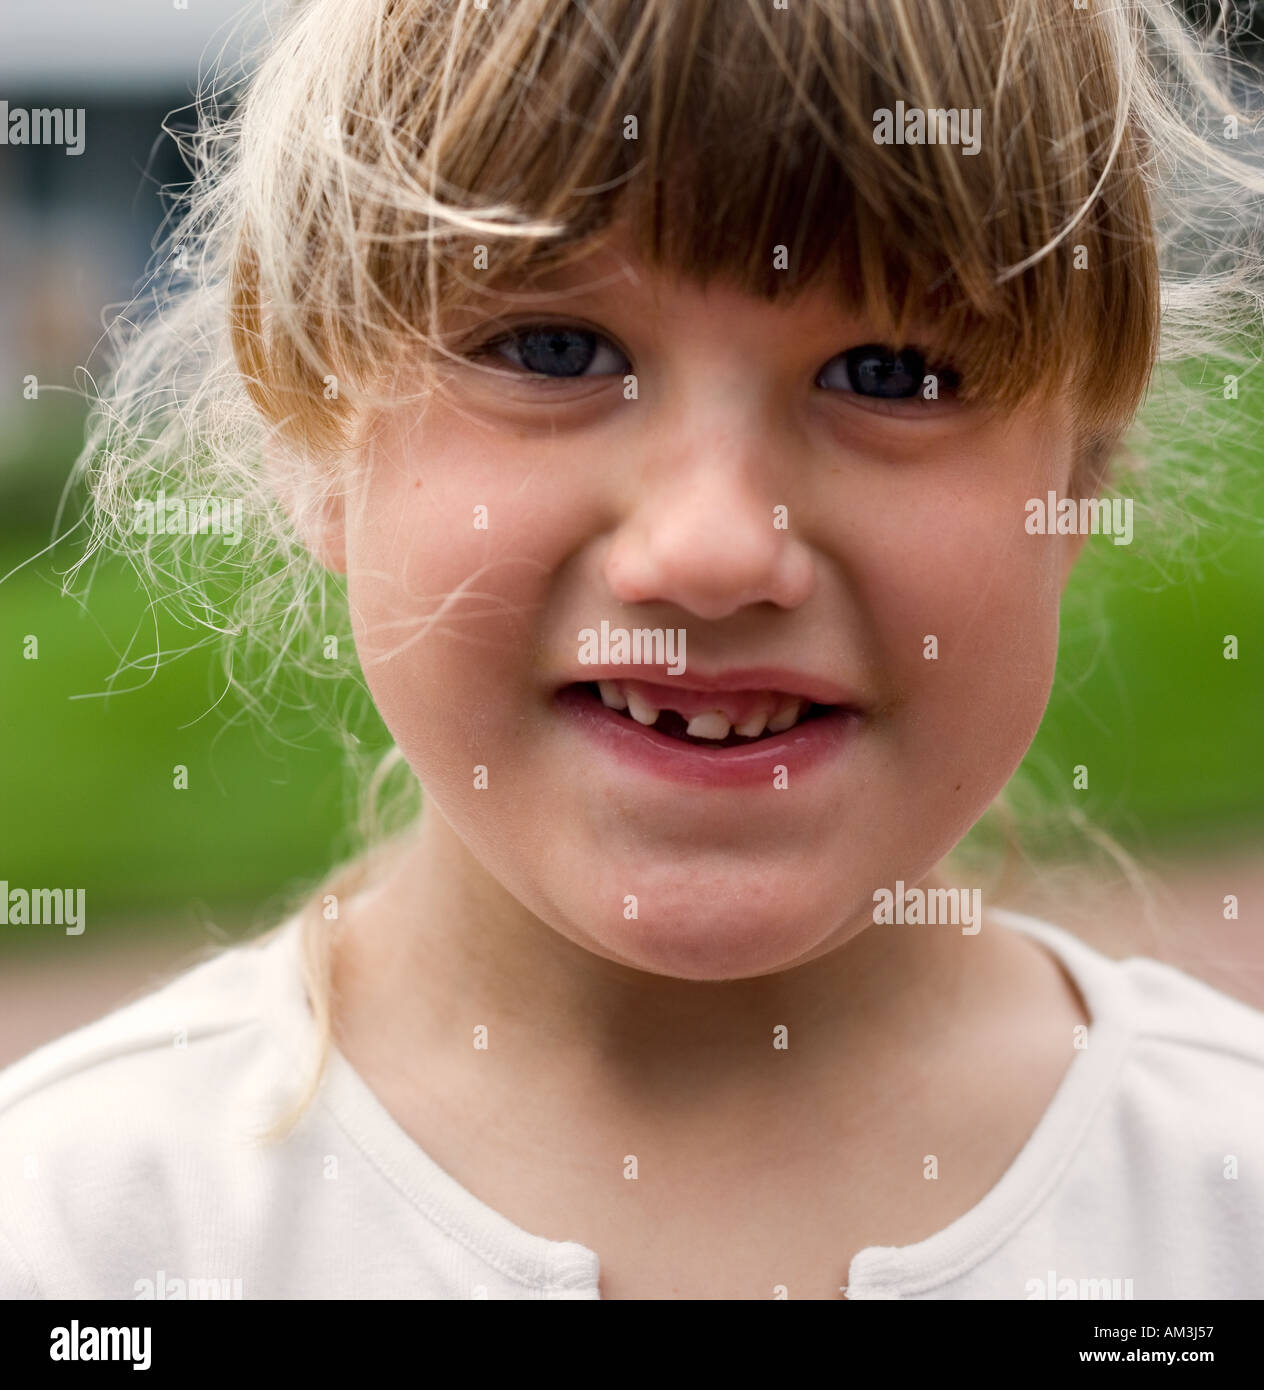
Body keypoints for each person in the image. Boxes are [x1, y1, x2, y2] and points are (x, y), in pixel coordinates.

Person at [3, 0, 1263, 1300]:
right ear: (315, 429)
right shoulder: (75, 1235)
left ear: (1085, 473)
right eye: (555, 349)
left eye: (893, 371)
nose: (713, 546)